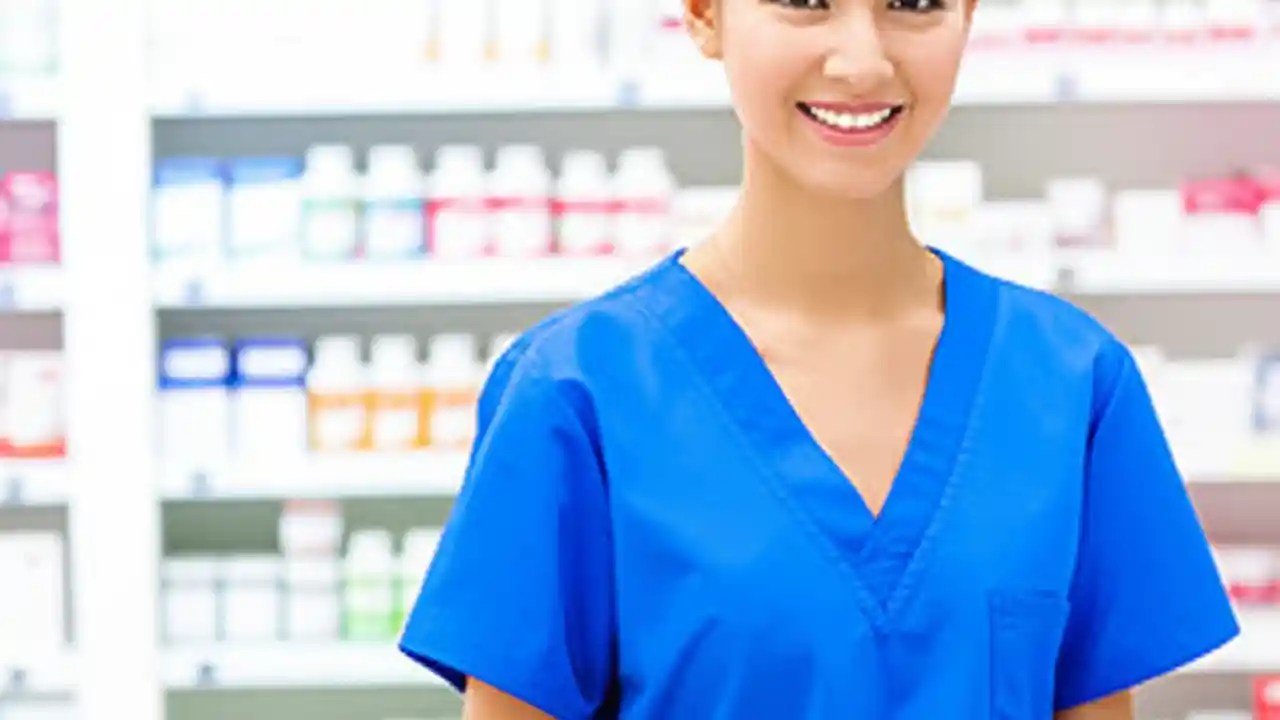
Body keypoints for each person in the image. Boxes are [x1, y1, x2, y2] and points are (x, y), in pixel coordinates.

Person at [399, 0, 1239, 717]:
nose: (863, 60)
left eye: (914, 2)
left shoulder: (1072, 384)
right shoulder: (576, 393)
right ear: (704, 14)